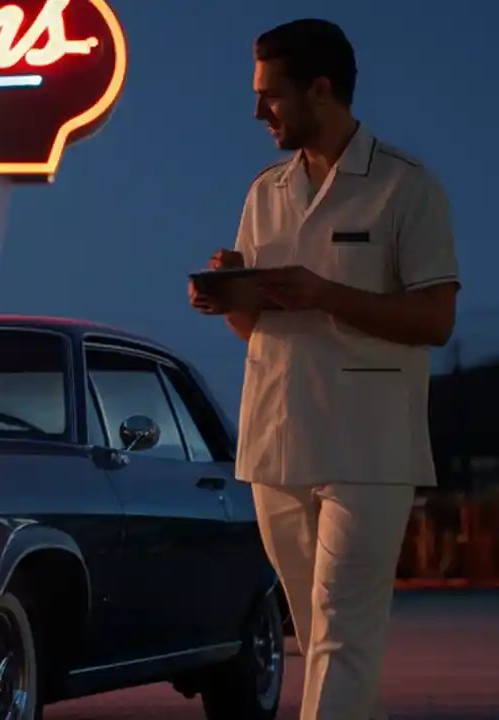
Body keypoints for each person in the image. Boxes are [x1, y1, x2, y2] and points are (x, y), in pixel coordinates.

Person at [188, 18, 460, 720]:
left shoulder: (406, 188)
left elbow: (436, 321)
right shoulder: (265, 193)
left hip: (369, 448)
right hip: (276, 443)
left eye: (270, 95)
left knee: (342, 630)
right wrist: (229, 298)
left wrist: (324, 293)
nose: (256, 112)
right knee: (322, 637)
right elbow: (259, 331)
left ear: (320, 88)